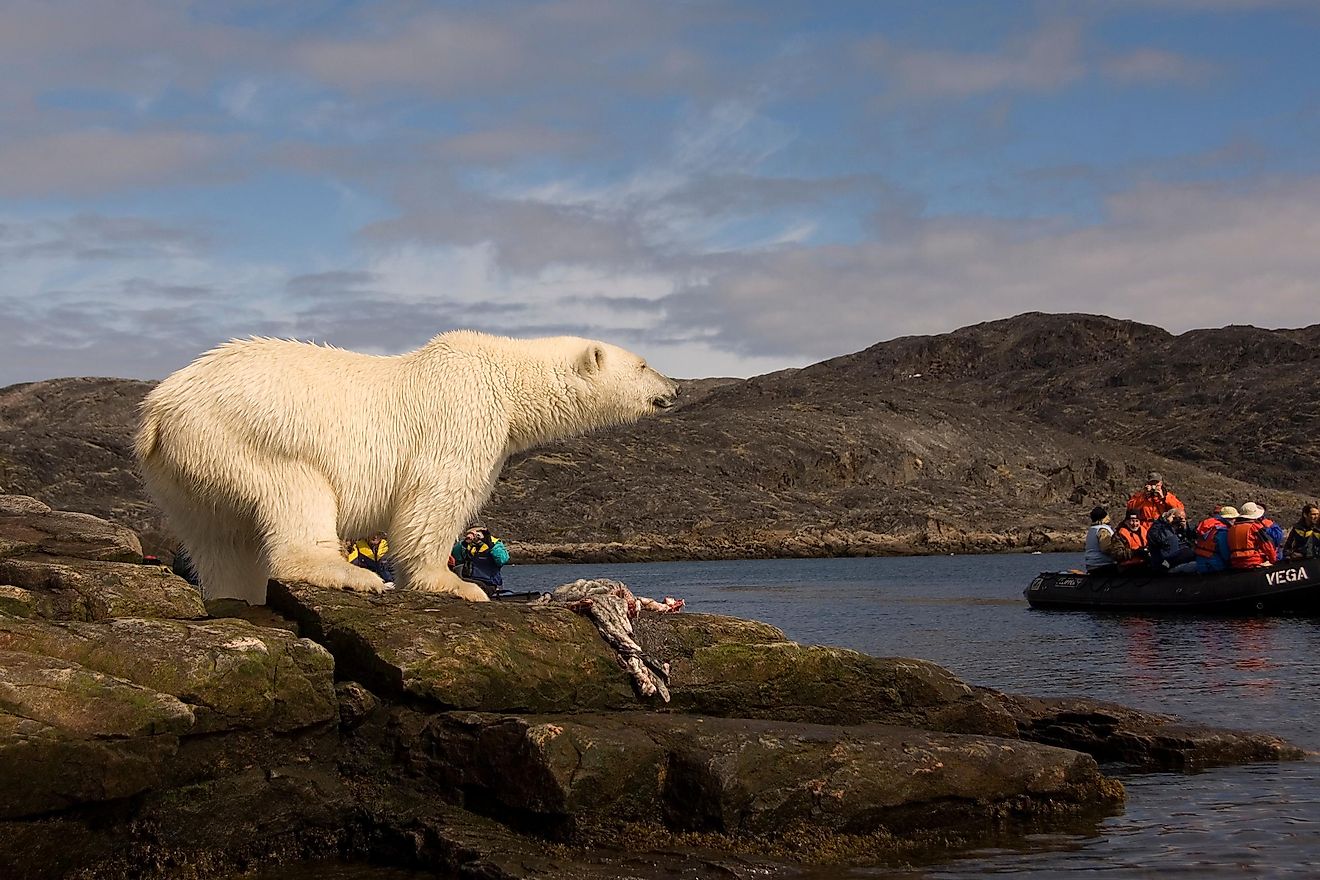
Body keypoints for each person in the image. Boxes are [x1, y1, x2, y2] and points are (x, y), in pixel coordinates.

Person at [450, 525, 510, 592]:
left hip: (488, 584)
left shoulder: (495, 544)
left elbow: (502, 560)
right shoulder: (470, 546)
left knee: (461, 583)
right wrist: (465, 543)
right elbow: (456, 557)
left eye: (478, 533)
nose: (476, 536)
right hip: (471, 581)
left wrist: (489, 544)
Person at [1226, 504, 1277, 570]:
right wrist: (1273, 560)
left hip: (1236, 563)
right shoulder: (1254, 527)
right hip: (1253, 562)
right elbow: (1267, 546)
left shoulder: (1231, 529)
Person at [1147, 507, 1196, 573]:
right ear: (1171, 516)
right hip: (1165, 562)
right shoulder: (1157, 527)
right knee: (1189, 553)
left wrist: (1185, 528)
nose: (1182, 520)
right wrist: (1167, 523)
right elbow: (1161, 539)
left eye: (1184, 518)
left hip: (1178, 557)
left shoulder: (1179, 526)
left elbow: (1192, 537)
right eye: (1180, 518)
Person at [1194, 506, 1238, 574]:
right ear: (1229, 518)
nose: (1235, 520)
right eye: (1234, 518)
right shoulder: (1222, 530)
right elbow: (1225, 552)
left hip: (1199, 562)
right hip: (1214, 565)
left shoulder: (1209, 526)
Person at [1083, 506, 1122, 574]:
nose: (1108, 518)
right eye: (1106, 516)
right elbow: (1106, 548)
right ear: (1103, 518)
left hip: (1091, 564)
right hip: (1102, 565)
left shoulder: (1092, 529)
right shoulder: (1103, 530)